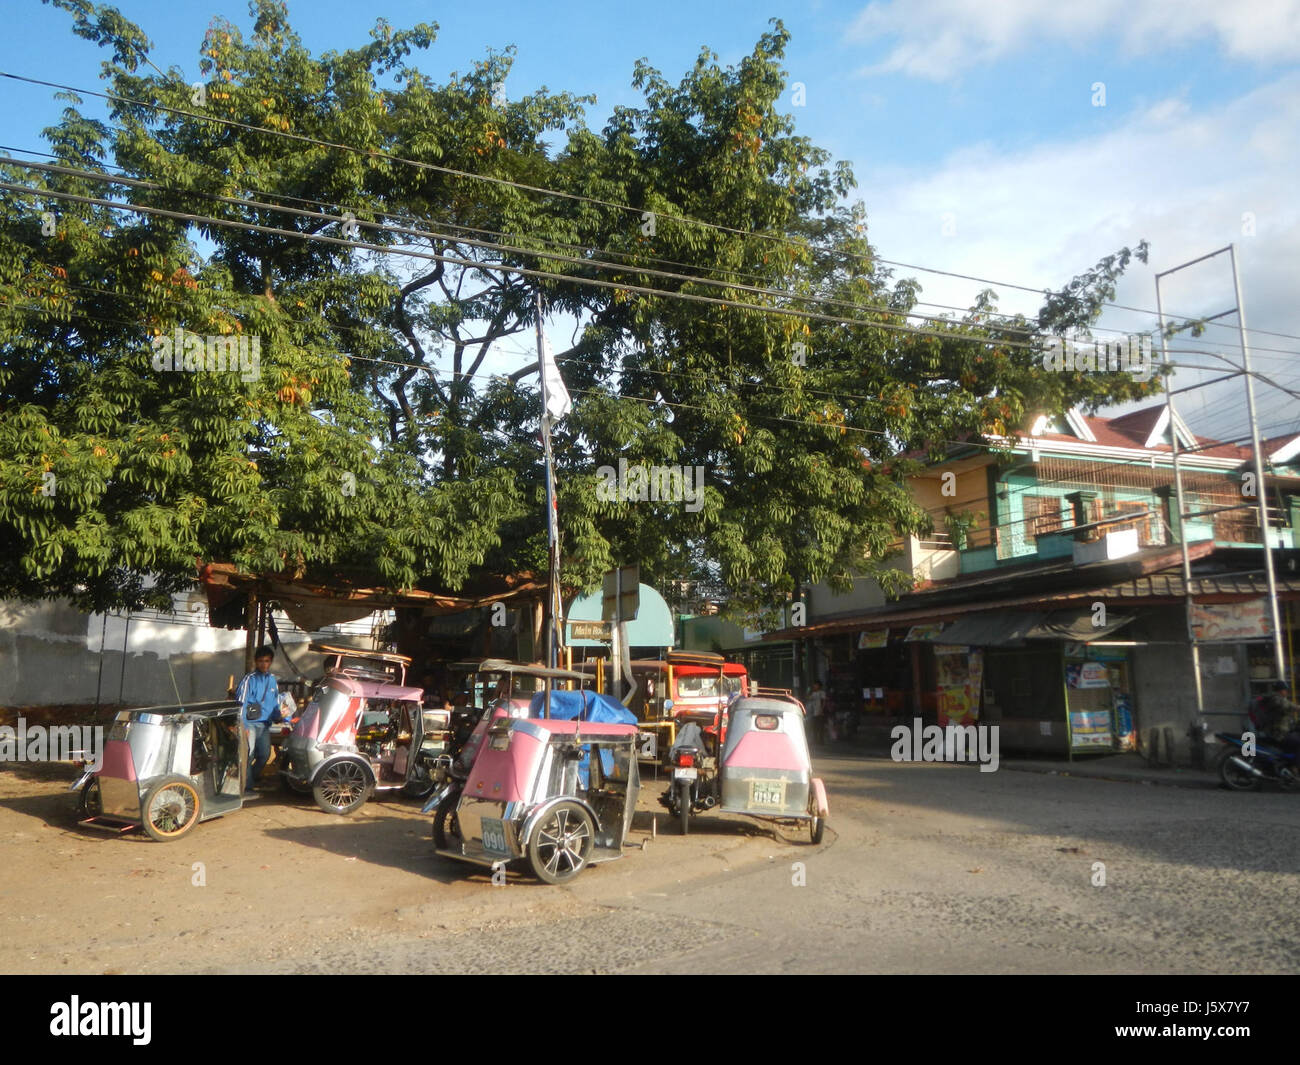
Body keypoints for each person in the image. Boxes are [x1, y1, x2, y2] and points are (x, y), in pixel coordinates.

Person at [236, 646, 282, 792]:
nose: (264, 664)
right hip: (249, 723)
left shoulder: (273, 680)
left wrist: (279, 716)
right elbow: (240, 703)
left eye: (267, 661)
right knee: (248, 755)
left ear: (271, 662)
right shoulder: (249, 679)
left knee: (264, 754)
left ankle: (250, 779)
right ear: (256, 662)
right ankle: (247, 787)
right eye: (261, 661)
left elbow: (275, 703)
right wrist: (242, 725)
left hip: (265, 724)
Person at [807, 681, 827, 745]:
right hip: (814, 712)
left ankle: (821, 741)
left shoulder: (822, 693)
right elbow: (809, 698)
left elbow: (823, 701)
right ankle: (815, 740)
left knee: (820, 727)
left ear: (819, 686)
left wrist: (822, 709)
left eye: (816, 685)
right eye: (814, 685)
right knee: (814, 727)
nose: (815, 686)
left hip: (820, 712)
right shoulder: (813, 693)